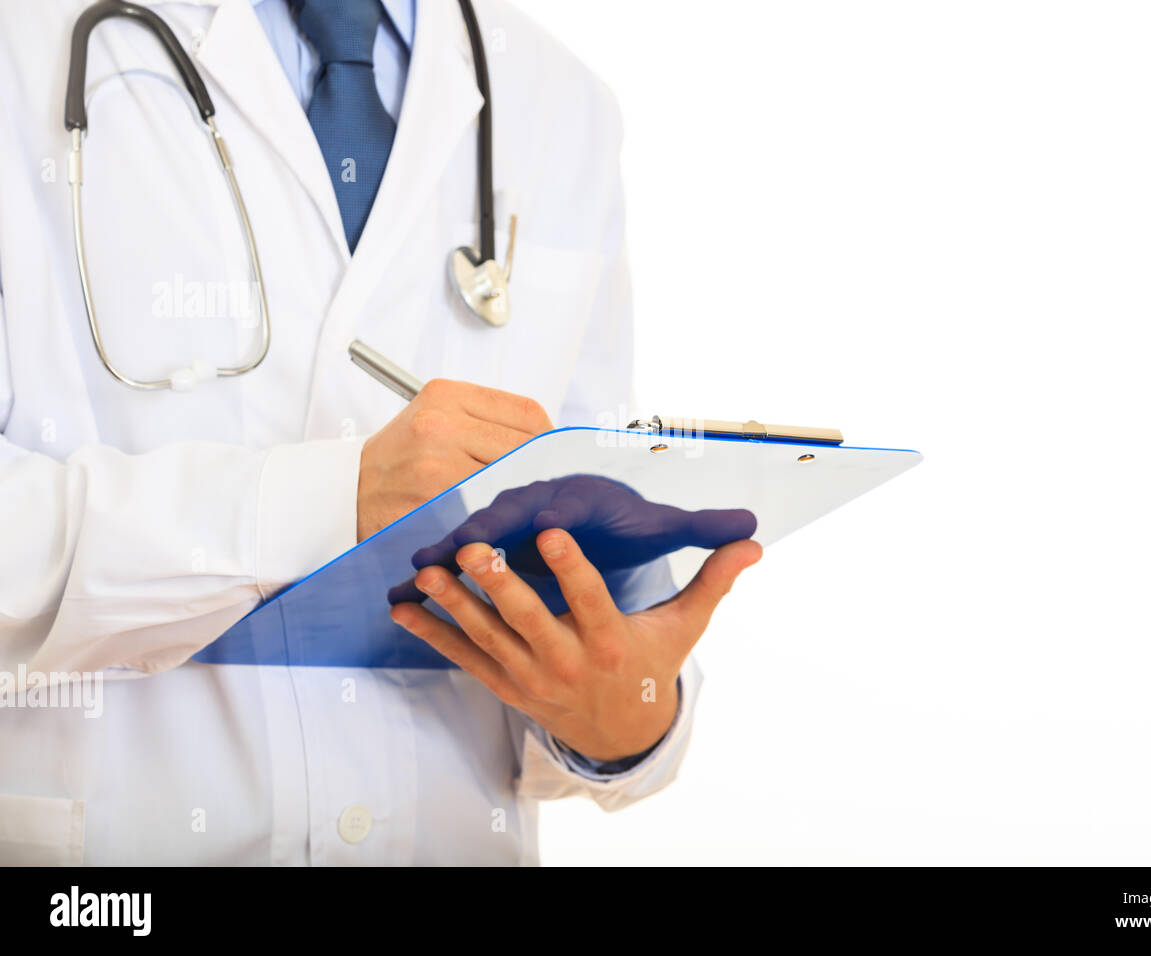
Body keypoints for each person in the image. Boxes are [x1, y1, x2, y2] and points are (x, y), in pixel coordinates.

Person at [0, 0, 760, 865]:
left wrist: (627, 719)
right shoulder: (20, 43)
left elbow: (597, 560)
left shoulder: (561, 101)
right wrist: (329, 501)